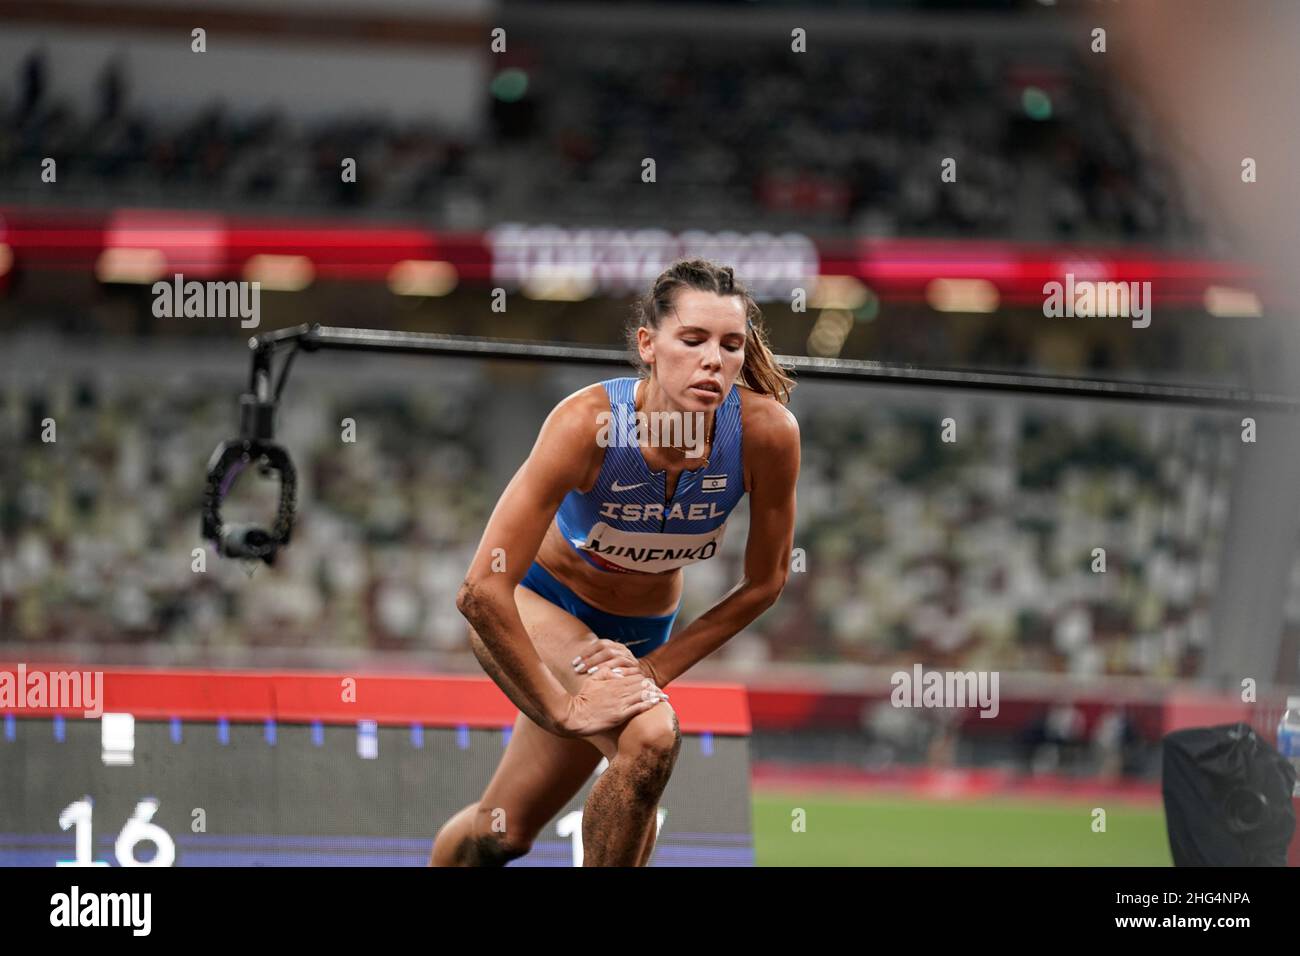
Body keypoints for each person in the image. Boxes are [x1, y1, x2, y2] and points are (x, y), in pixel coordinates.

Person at [430, 259, 800, 866]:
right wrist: (560, 708)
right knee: (652, 736)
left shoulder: (767, 435)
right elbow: (479, 591)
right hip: (535, 609)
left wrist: (653, 668)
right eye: (693, 340)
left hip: (636, 638)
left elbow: (766, 582)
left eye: (731, 345)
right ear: (648, 345)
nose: (714, 360)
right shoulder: (587, 425)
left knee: (504, 833)